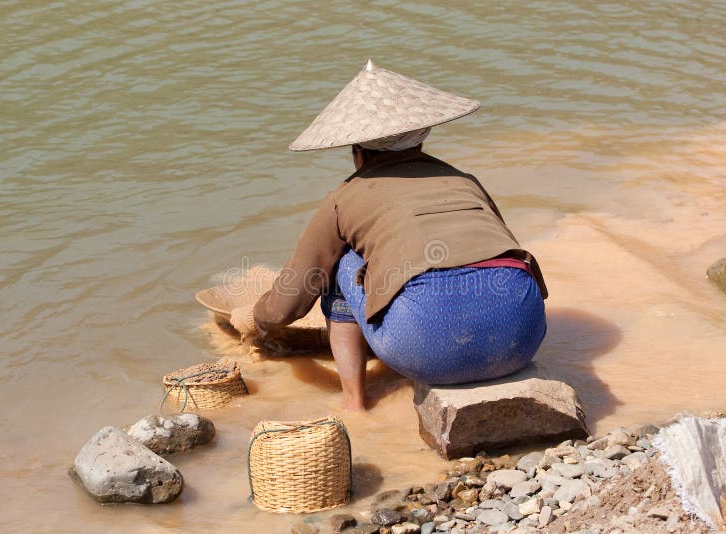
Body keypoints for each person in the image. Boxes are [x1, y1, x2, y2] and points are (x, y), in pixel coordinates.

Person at [231, 60, 548, 410]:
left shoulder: (344, 197)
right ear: (421, 142)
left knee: (340, 263)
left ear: (359, 151)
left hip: (429, 353)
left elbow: (295, 294)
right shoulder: (465, 182)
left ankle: (355, 403)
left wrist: (257, 320)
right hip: (522, 338)